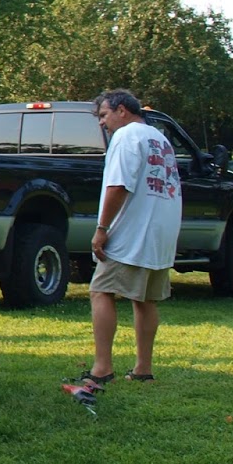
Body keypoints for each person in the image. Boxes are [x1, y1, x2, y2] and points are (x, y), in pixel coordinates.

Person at [82, 89, 183, 385]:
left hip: (133, 232)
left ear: (122, 110)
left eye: (104, 115)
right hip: (161, 233)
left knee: (101, 291)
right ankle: (143, 369)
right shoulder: (159, 138)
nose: (102, 123)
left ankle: (102, 368)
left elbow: (118, 185)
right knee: (145, 300)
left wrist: (102, 229)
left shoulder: (126, 137)